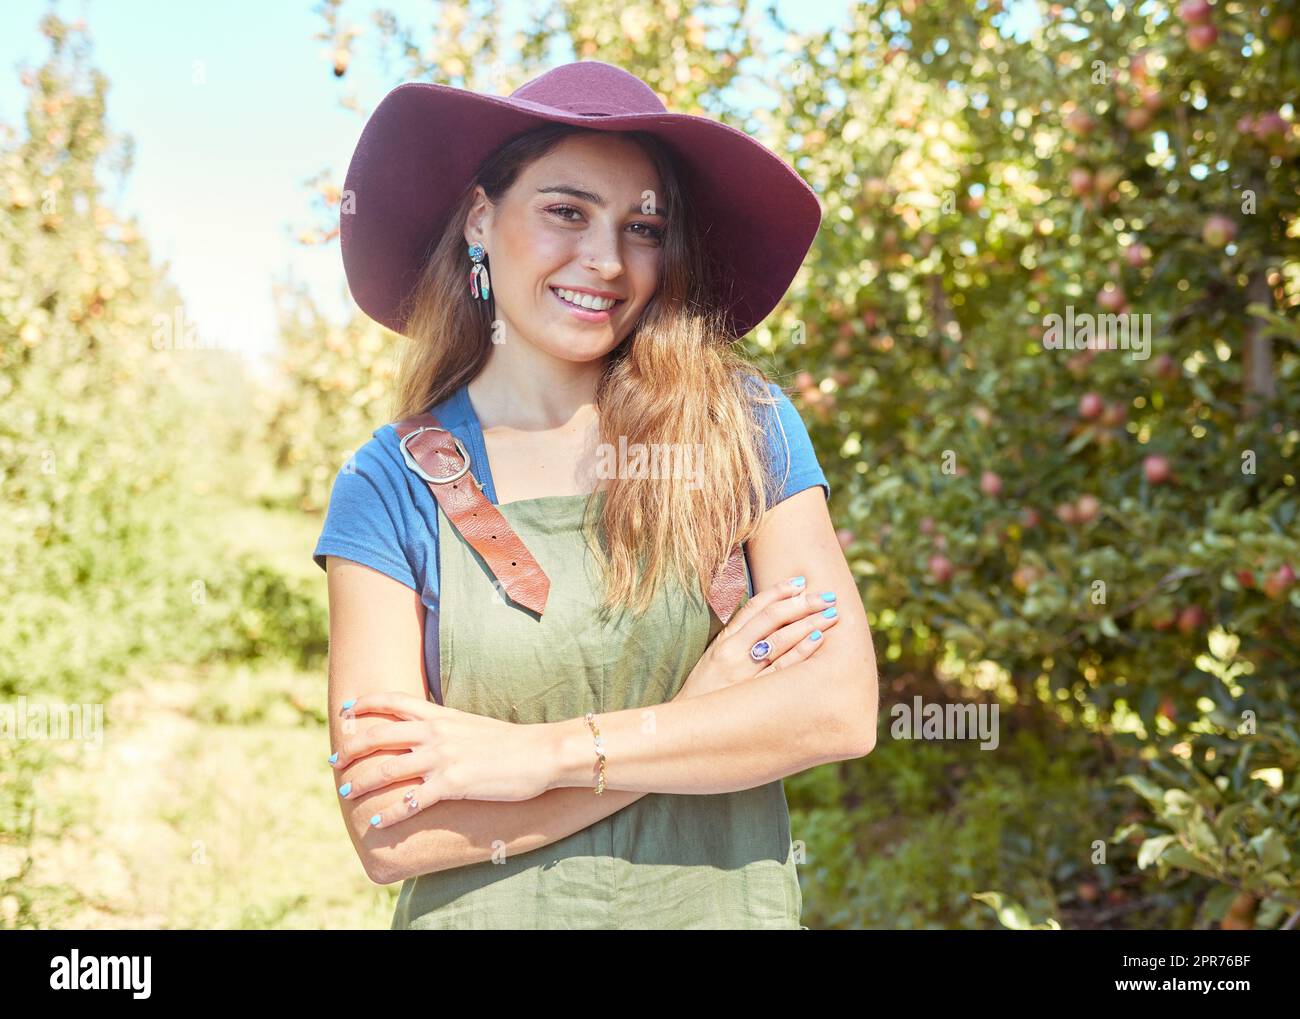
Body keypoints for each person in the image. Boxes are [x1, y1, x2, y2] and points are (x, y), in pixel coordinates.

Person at [312, 60, 879, 929]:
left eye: (643, 227)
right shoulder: (388, 484)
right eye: (566, 211)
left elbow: (839, 709)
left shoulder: (743, 428)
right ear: (479, 220)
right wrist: (698, 720)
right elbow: (391, 829)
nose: (608, 260)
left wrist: (542, 755)